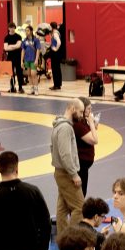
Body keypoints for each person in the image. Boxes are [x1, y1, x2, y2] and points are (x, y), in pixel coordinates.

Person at [52, 99, 87, 230]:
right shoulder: (65, 128)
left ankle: (63, 239)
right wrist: (73, 174)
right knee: (80, 207)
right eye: (81, 111)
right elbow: (65, 154)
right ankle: (73, 239)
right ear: (72, 108)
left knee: (62, 209)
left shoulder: (59, 125)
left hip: (61, 172)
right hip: (66, 173)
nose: (82, 115)